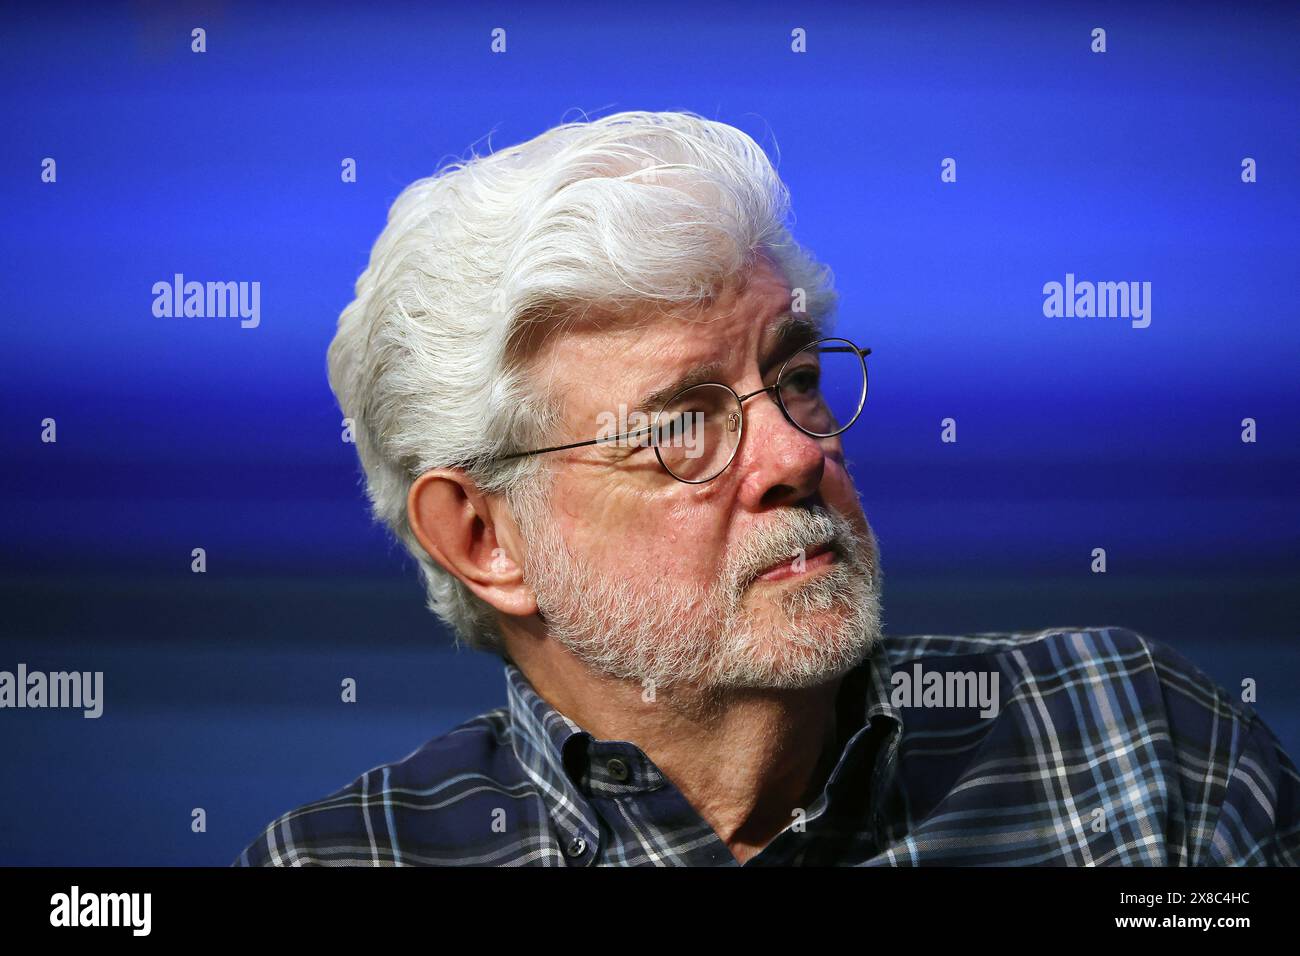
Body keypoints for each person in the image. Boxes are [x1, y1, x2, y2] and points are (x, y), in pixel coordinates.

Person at [234, 111, 1298, 866]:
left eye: (795, 377)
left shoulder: (1134, 746)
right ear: (482, 536)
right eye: (683, 425)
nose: (794, 455)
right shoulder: (343, 859)